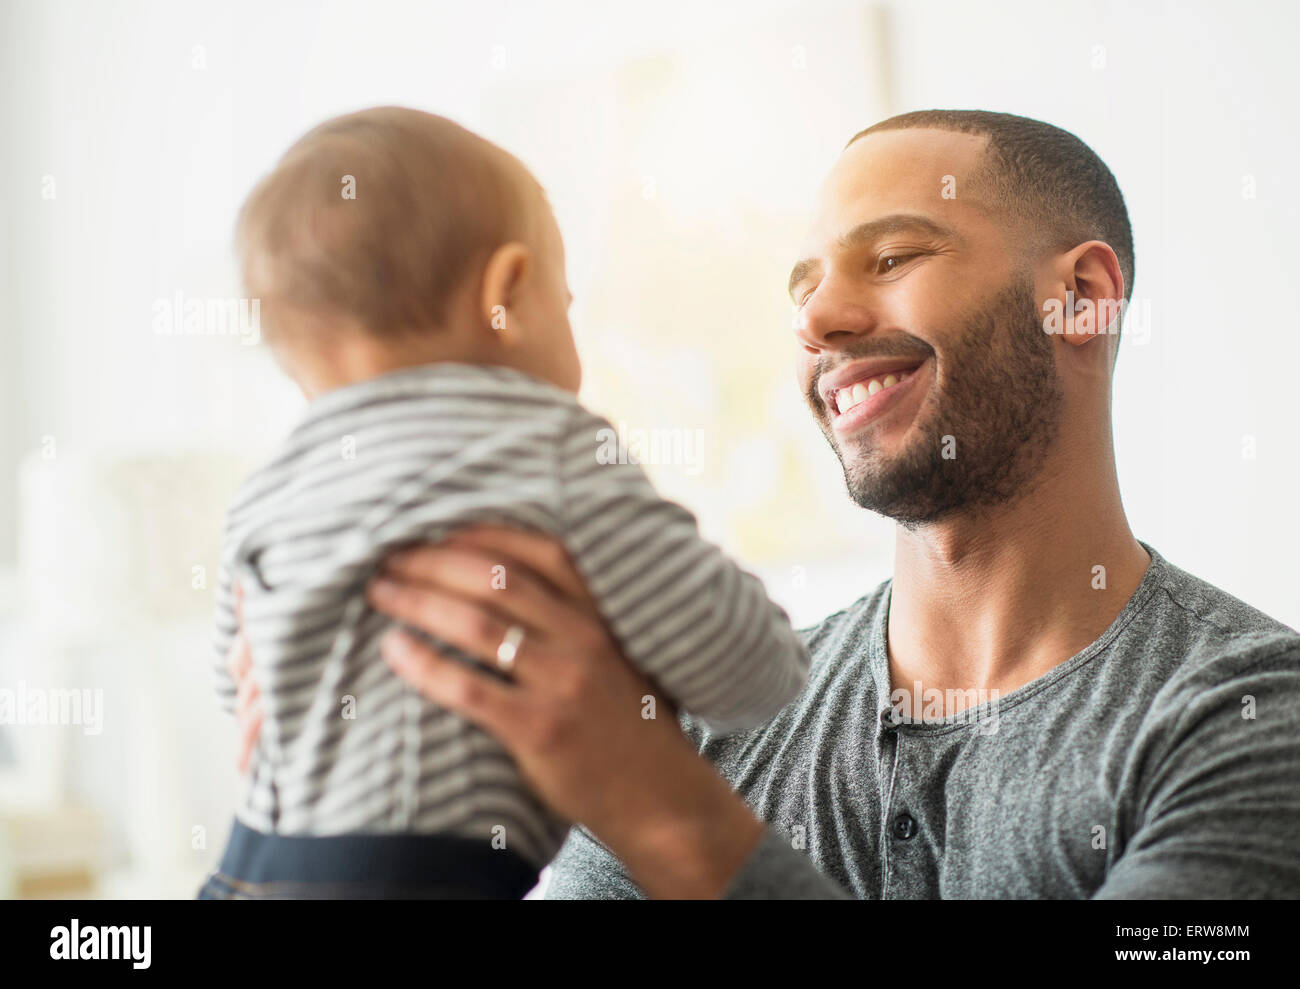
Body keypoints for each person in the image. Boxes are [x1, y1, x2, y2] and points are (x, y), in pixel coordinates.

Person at [228, 110, 1300, 899]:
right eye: (802, 288)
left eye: (891, 256)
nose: (821, 319)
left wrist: (670, 818)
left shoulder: (1249, 724)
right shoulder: (696, 715)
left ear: (1081, 298)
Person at [200, 106, 809, 900]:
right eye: (567, 300)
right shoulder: (545, 443)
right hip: (418, 880)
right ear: (510, 294)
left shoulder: (266, 488)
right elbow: (746, 671)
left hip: (247, 868)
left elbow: (234, 684)